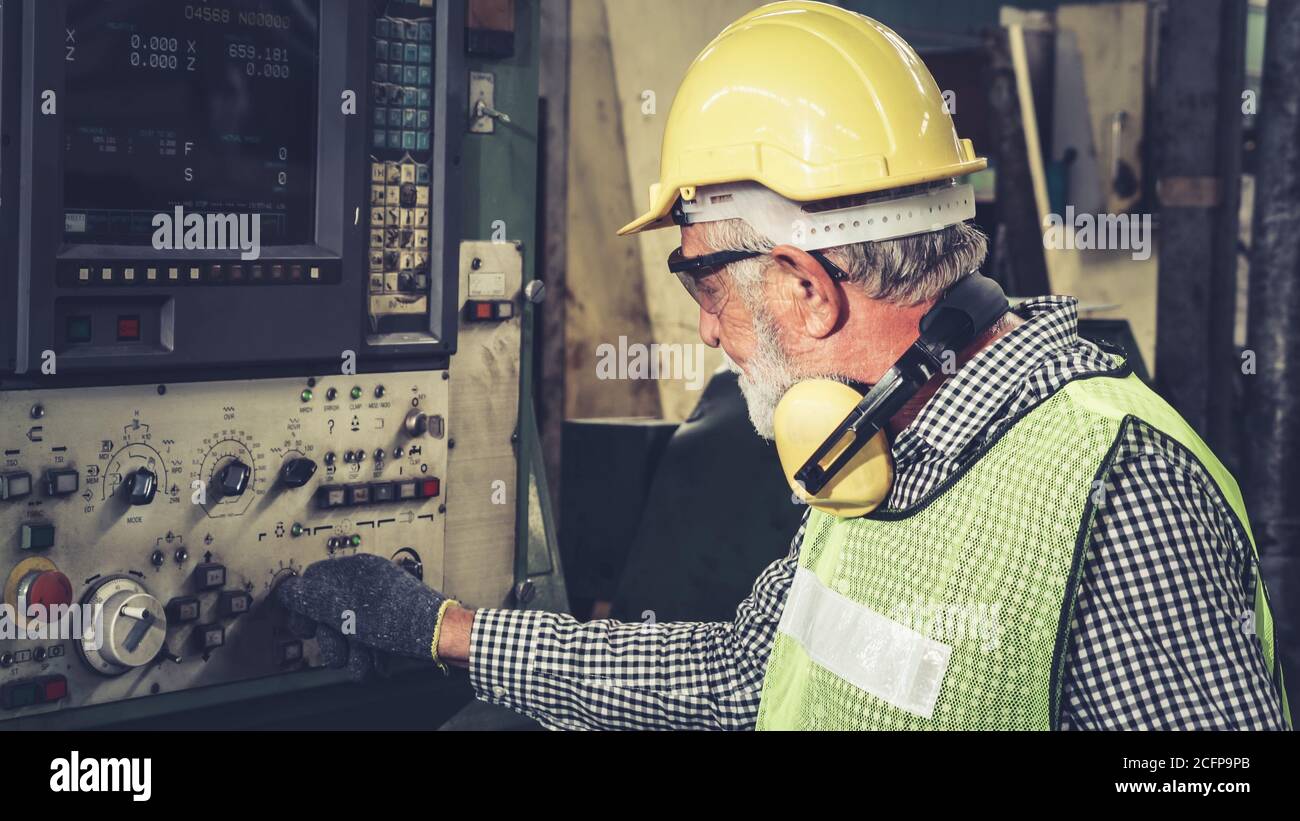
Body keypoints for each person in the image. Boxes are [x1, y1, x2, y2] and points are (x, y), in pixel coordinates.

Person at [278, 1, 1290, 730]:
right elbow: (747, 673)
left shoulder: (1123, 488)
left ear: (806, 286)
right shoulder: (870, 442)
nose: (708, 333)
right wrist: (452, 630)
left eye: (704, 287)